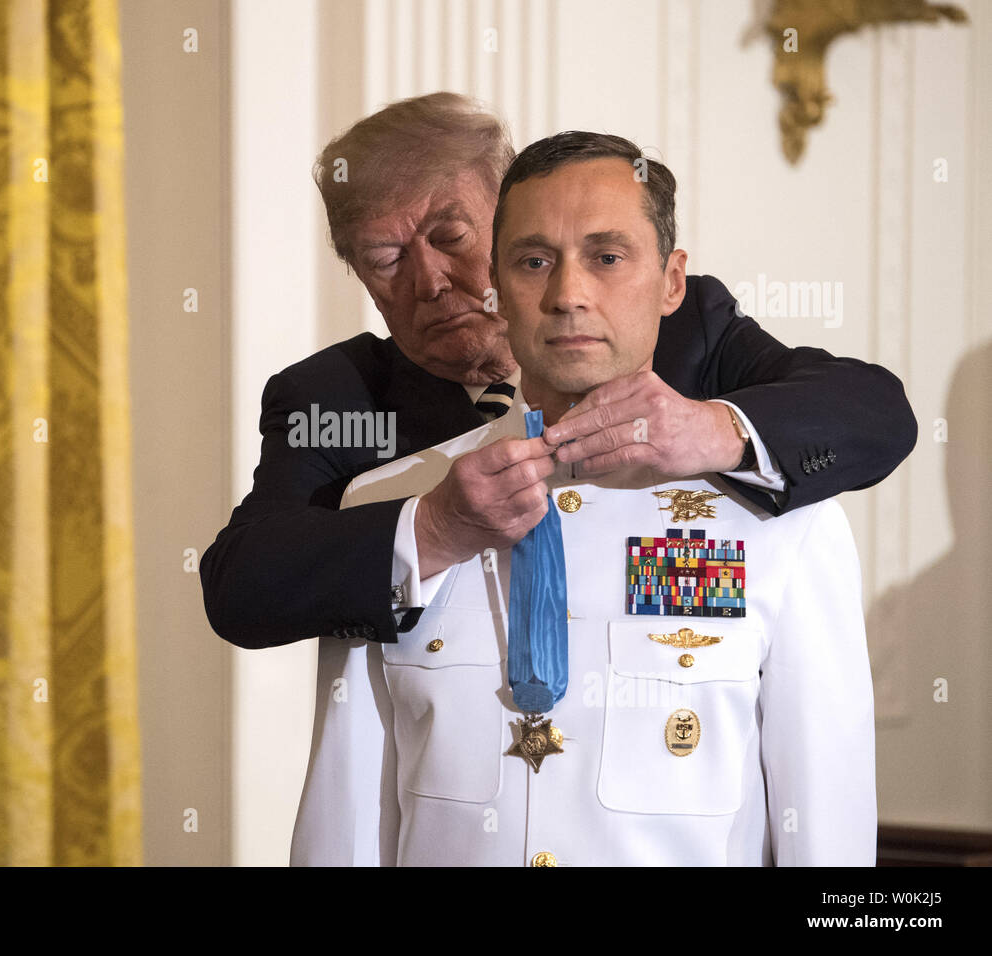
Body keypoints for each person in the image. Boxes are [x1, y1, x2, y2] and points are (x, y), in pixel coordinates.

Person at [290, 131, 877, 866]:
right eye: (535, 261)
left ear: (671, 283)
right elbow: (346, 817)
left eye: (606, 257)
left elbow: (826, 823)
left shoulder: (784, 524)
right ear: (498, 289)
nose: (568, 294)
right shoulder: (390, 511)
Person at [201, 92, 915, 651]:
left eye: (451, 237)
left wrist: (711, 429)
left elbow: (876, 414)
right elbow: (240, 588)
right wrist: (434, 528)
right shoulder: (336, 396)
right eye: (386, 260)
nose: (429, 281)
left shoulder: (678, 329)